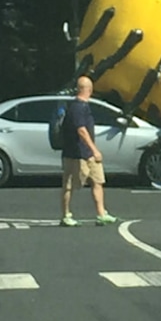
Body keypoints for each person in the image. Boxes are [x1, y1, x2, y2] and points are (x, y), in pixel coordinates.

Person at [57, 76, 118, 225]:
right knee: (69, 185)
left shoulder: (83, 106)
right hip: (75, 154)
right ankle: (66, 215)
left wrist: (92, 152)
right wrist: (95, 149)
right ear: (89, 90)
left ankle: (101, 214)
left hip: (88, 154)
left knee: (97, 181)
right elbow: (81, 130)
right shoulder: (77, 107)